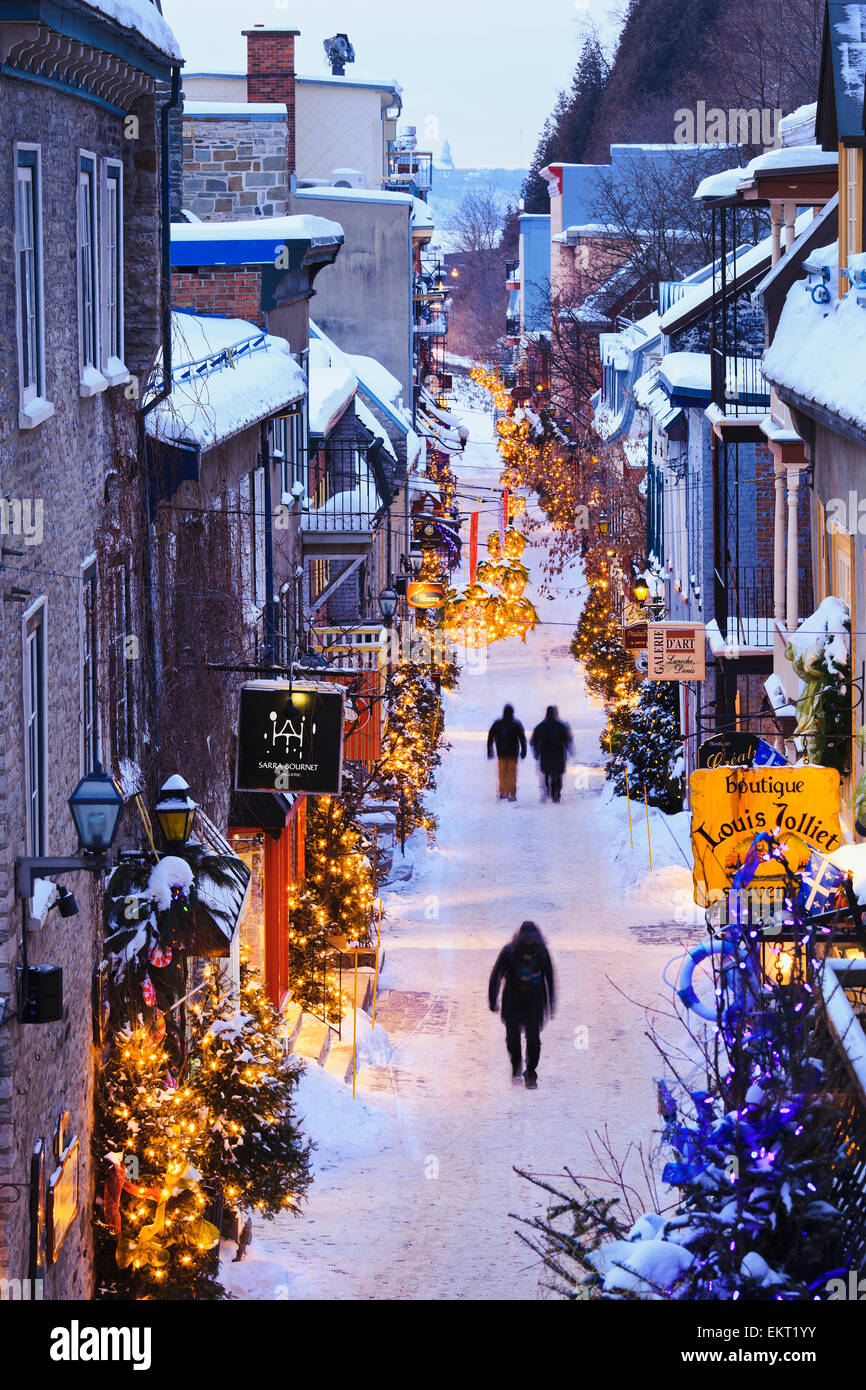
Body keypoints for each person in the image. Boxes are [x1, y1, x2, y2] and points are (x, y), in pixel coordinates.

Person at [488, 921, 555, 1089]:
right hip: (513, 1004)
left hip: (534, 1004)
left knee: (533, 1040)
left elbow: (550, 977)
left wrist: (551, 1002)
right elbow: (496, 974)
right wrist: (492, 998)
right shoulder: (509, 952)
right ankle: (516, 1065)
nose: (530, 942)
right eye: (527, 939)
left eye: (533, 939)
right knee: (513, 1040)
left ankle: (530, 1073)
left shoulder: (541, 953)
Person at [531, 705, 573, 803]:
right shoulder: (561, 726)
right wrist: (569, 750)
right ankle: (556, 791)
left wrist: (537, 752)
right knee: (558, 773)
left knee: (547, 772)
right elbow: (567, 739)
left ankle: (549, 789)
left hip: (545, 753)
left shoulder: (541, 726)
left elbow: (534, 740)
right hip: (558, 753)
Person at [486, 703, 527, 801]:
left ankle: (502, 792)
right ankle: (512, 794)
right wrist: (523, 751)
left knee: (502, 773)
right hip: (513, 753)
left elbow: (490, 737)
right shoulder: (516, 724)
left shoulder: (497, 724)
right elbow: (522, 738)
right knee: (512, 773)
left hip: (501, 752)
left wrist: (490, 750)